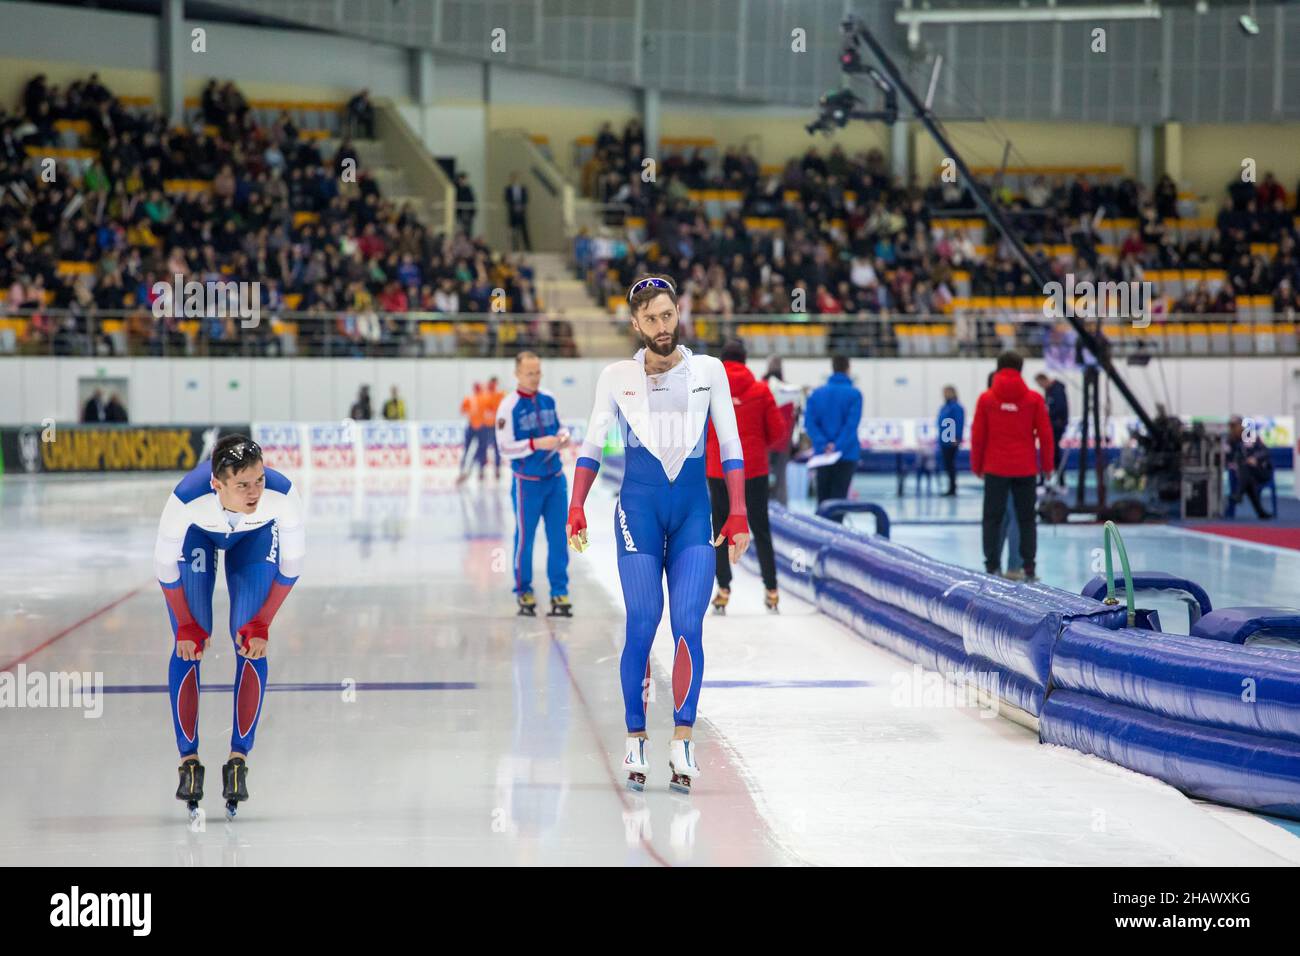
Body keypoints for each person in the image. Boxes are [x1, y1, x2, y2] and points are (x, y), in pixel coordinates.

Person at [565, 274, 750, 794]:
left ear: (678, 314)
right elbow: (593, 442)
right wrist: (577, 503)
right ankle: (636, 734)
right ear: (635, 324)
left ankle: (684, 738)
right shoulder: (616, 376)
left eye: (668, 316)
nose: (662, 326)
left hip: (694, 514)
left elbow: (731, 443)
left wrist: (738, 512)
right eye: (651, 319)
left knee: (689, 624)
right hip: (638, 512)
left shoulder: (709, 371)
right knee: (644, 624)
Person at [156, 435, 305, 820]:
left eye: (259, 480)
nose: (255, 491)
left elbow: (291, 566)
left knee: (249, 638)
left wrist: (263, 622)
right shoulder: (188, 497)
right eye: (243, 485)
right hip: (198, 537)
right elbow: (164, 567)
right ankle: (188, 760)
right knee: (190, 643)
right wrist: (186, 625)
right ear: (216, 484)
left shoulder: (281, 494)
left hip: (253, 540)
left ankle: (238, 759)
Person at [706, 340, 787, 614]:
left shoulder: (709, 391)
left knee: (719, 530)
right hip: (753, 470)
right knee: (760, 529)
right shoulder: (761, 391)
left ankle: (723, 589)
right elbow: (777, 434)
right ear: (745, 360)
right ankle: (772, 590)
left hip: (718, 470)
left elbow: (698, 431)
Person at [495, 352, 572, 616]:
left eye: (538, 372)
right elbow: (504, 448)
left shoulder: (549, 398)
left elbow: (561, 427)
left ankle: (560, 592)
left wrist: (563, 436)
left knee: (559, 538)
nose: (535, 377)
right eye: (530, 373)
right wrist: (536, 444)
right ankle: (523, 589)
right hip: (527, 484)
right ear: (517, 374)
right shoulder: (508, 407)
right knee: (525, 539)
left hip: (556, 481)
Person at [971, 352, 1054, 581]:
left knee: (992, 518)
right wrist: (1047, 466)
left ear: (997, 369)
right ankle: (1028, 567)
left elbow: (978, 436)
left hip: (995, 468)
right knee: (1027, 519)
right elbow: (1046, 436)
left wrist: (977, 466)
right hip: (1025, 468)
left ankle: (991, 566)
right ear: (1021, 369)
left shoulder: (986, 399)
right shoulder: (1034, 399)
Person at [804, 355, 862, 521]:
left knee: (823, 500)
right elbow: (851, 425)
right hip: (846, 454)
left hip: (822, 456)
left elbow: (810, 423)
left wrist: (823, 445)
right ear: (848, 369)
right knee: (839, 501)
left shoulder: (816, 394)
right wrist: (837, 446)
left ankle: (822, 536)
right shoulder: (854, 394)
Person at [763, 356, 804, 506]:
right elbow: (797, 417)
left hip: (765, 442)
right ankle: (782, 513)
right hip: (782, 441)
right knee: (780, 481)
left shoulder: (761, 386)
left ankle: (760, 513)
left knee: (760, 480)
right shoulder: (791, 391)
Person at [1226, 415, 1274, 519]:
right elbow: (1228, 457)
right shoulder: (1231, 440)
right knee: (1247, 480)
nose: (1233, 429)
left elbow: (1265, 452)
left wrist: (1255, 458)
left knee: (1246, 470)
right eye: (1231, 426)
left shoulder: (1252, 437)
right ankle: (1261, 512)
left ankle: (1238, 495)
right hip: (1244, 475)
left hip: (1260, 471)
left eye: (1235, 426)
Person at [1035, 372, 1068, 487]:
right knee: (1050, 452)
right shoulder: (1050, 391)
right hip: (1052, 424)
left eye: (1041, 384)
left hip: (1056, 425)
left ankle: (1059, 480)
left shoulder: (1057, 390)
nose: (1041, 387)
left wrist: (1047, 415)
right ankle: (1047, 478)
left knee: (1054, 453)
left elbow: (1060, 408)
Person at [936, 385, 964, 497]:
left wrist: (957, 437)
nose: (945, 395)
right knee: (947, 465)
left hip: (951, 441)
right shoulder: (944, 407)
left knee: (950, 465)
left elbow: (958, 422)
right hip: (944, 440)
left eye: (947, 392)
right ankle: (950, 487)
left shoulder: (956, 407)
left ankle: (952, 488)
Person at [481, 376, 505, 481]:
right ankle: (481, 470)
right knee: (482, 449)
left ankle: (497, 470)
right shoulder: (484, 394)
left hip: (496, 426)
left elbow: (504, 410)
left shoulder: (500, 395)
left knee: (497, 449)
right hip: (485, 426)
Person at [504, 172, 531, 252]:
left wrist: (521, 206)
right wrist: (514, 206)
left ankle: (528, 247)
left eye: (517, 178)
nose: (515, 180)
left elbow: (526, 199)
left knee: (524, 230)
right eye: (514, 178)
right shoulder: (508, 189)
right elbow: (507, 199)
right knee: (514, 231)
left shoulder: (523, 188)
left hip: (521, 212)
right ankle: (515, 248)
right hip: (512, 213)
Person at [455, 172, 476, 237]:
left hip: (468, 213)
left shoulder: (468, 189)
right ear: (460, 179)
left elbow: (472, 200)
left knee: (468, 230)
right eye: (463, 179)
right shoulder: (456, 189)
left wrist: (473, 212)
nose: (465, 181)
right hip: (459, 213)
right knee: (460, 229)